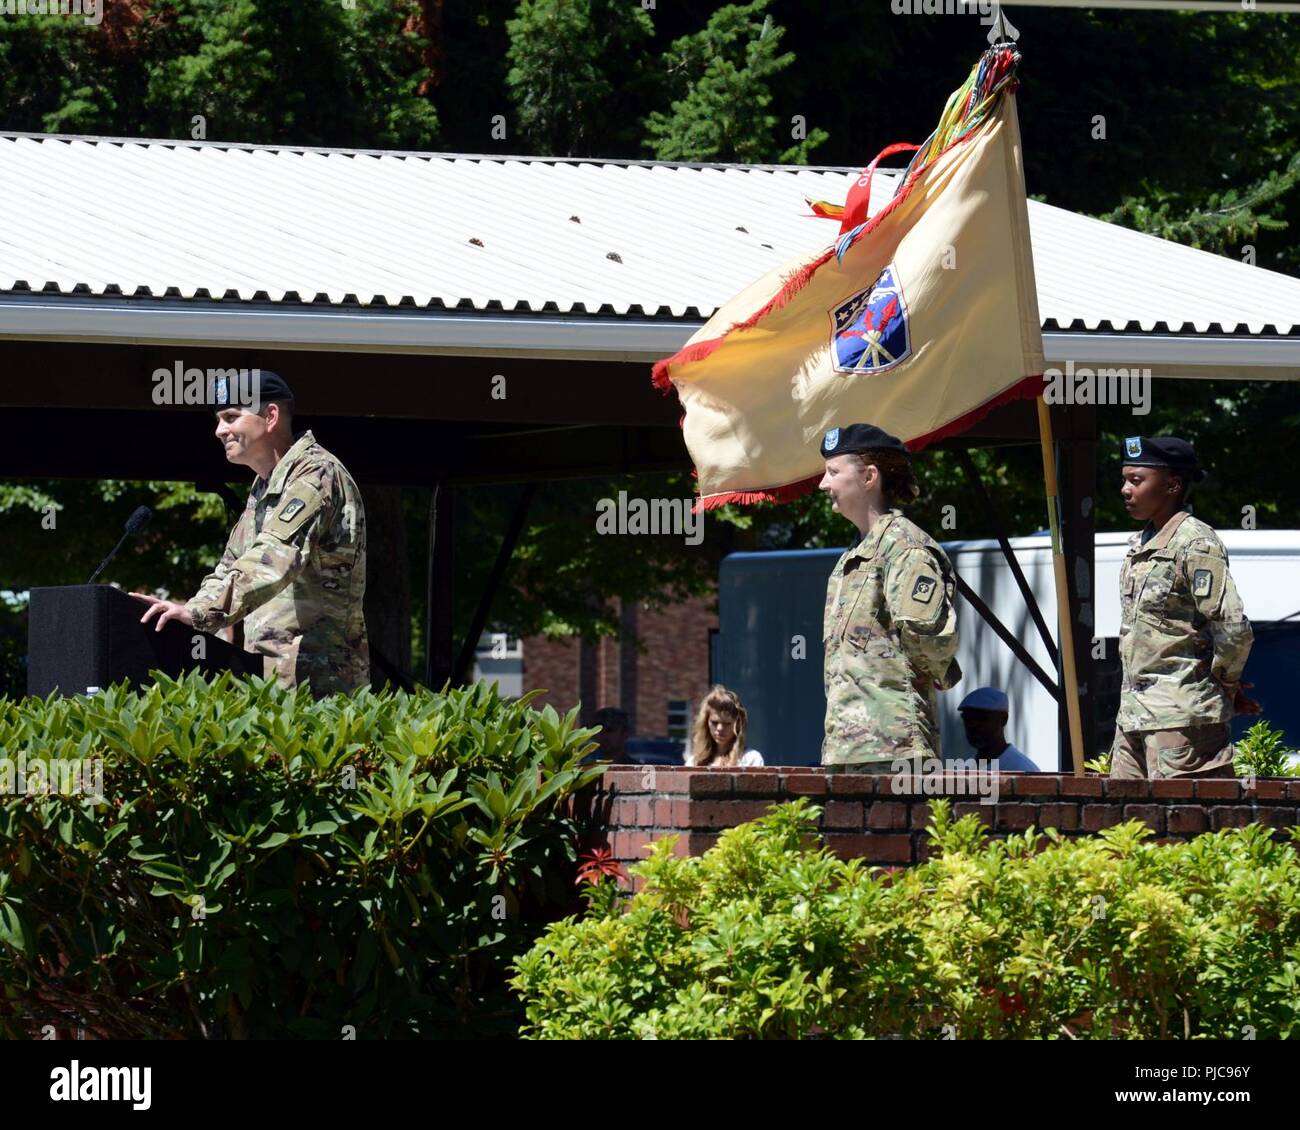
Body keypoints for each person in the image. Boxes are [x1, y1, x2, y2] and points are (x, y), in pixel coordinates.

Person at [129, 370, 370, 697]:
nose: (219, 430)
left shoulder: (317, 473)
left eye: (230, 417)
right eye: (218, 419)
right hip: (272, 681)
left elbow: (272, 559)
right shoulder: (264, 486)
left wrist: (199, 613)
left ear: (270, 416)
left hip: (320, 686)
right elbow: (231, 564)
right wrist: (189, 610)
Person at [1109, 435, 1258, 779]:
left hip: (1183, 721)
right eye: (1124, 479)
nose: (1125, 490)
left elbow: (1233, 626)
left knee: (1181, 827)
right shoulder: (1141, 543)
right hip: (1134, 718)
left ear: (1172, 485)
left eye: (1136, 480)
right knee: (1124, 829)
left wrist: (1226, 683)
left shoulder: (1195, 542)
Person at [819, 424, 961, 770]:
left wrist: (940, 675)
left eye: (833, 472)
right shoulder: (854, 555)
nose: (823, 484)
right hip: (847, 746)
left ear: (869, 477)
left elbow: (928, 634)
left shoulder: (904, 548)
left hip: (895, 748)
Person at [958, 687, 1038, 770]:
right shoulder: (964, 770)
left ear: (1003, 719)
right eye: (967, 719)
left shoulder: (1023, 770)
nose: (972, 725)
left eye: (981, 718)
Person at [688, 685, 764, 767]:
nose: (720, 728)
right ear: (706, 723)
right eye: (714, 722)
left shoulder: (750, 759)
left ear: (738, 724)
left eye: (727, 723)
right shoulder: (694, 761)